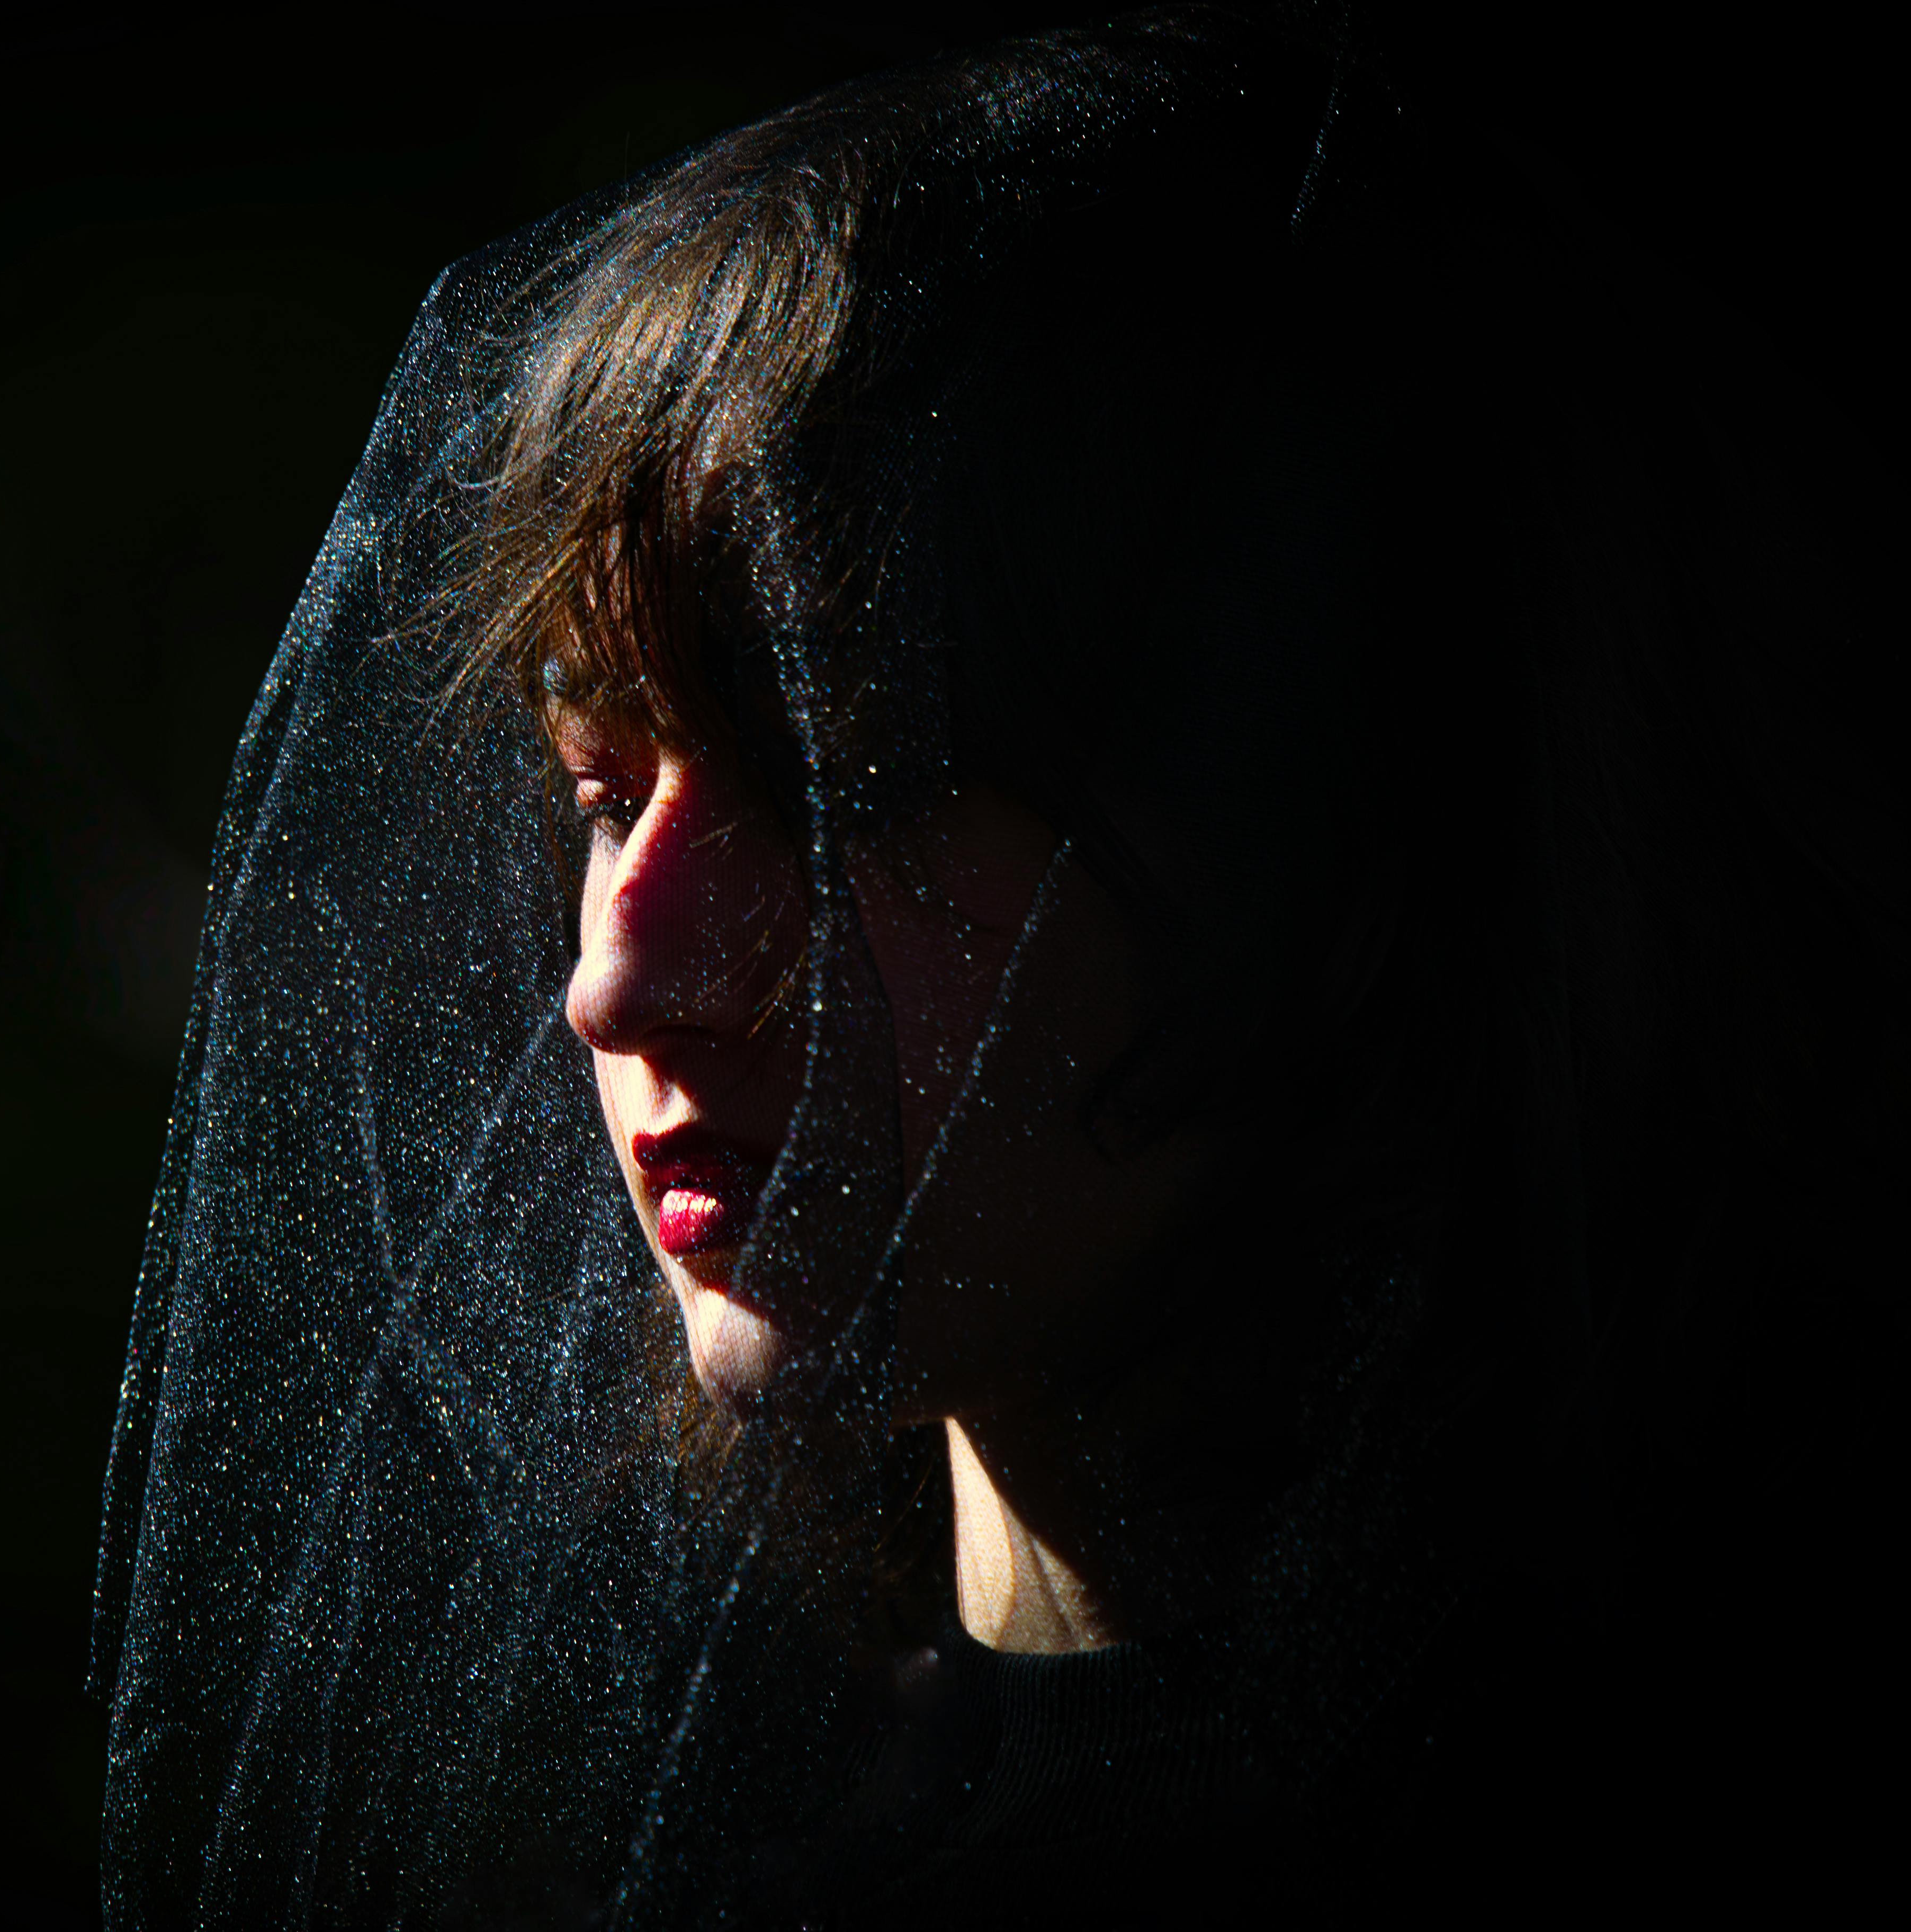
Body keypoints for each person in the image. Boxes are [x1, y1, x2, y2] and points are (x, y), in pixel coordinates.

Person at [92, 7, 1903, 1923]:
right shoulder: (688, 1851)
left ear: (1315, 836)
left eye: (850, 780)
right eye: (601, 785)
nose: (618, 987)